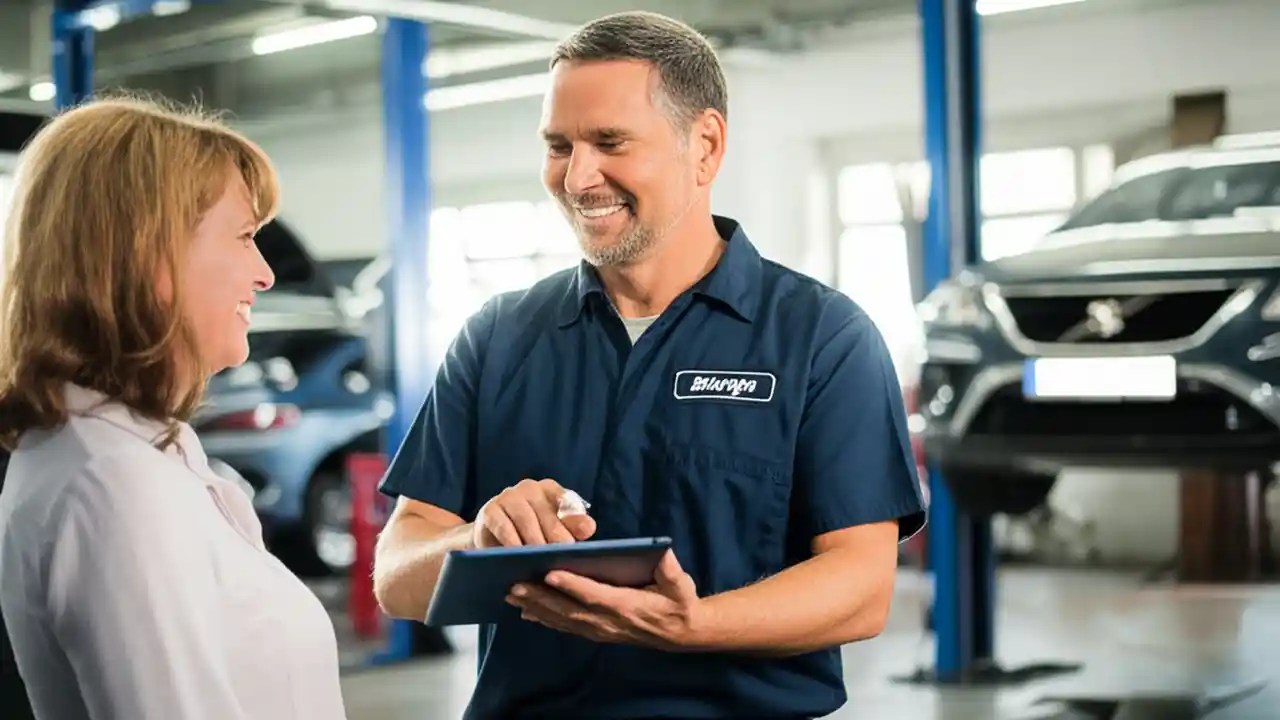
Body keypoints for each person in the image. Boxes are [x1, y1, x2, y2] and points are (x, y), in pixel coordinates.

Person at [374, 10, 926, 720]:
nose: (577, 177)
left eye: (610, 142)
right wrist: (476, 539)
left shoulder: (821, 339)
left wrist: (694, 627)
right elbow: (397, 575)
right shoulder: (496, 339)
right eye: (558, 145)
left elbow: (861, 584)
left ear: (705, 146)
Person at [0, 97, 347, 720]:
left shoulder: (133, 450)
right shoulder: (111, 481)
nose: (265, 274)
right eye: (244, 237)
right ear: (145, 252)